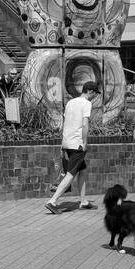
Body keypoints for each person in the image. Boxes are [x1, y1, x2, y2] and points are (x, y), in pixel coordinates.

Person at [45, 83, 100, 214]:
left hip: (67, 142)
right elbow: (85, 124)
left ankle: (83, 201)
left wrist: (62, 143)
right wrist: (85, 142)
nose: (95, 96)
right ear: (90, 91)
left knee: (83, 170)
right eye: (95, 93)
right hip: (77, 144)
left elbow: (65, 123)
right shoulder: (86, 103)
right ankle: (52, 201)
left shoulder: (70, 102)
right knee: (71, 174)